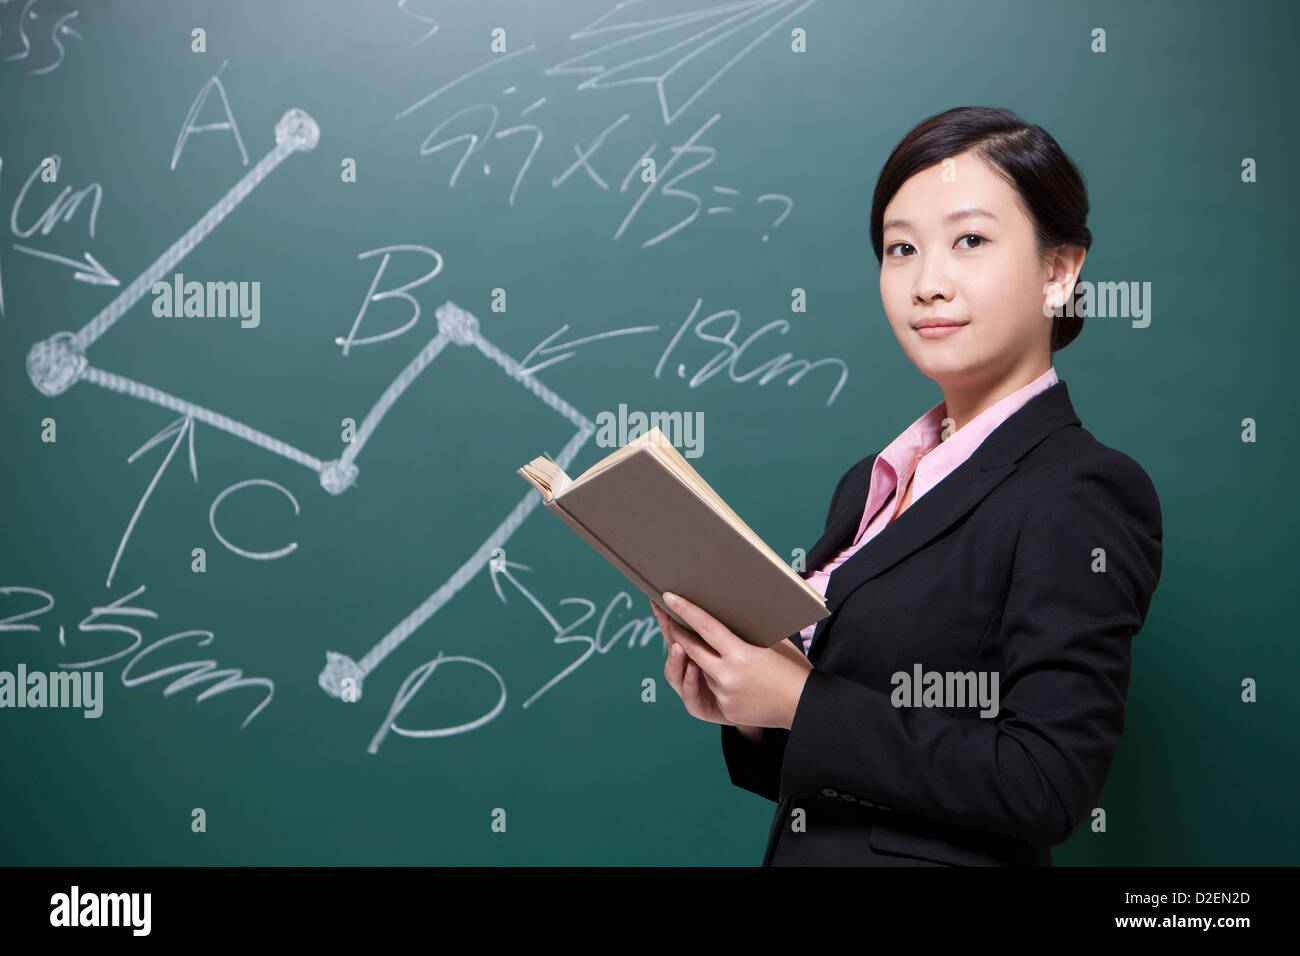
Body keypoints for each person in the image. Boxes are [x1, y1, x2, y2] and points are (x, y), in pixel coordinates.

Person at [650, 106, 1163, 866]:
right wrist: (746, 705)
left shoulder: (1082, 489)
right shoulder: (873, 482)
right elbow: (840, 767)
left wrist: (798, 700)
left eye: (970, 241)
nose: (928, 283)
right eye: (900, 249)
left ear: (1059, 271)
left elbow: (1046, 784)